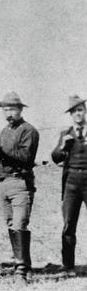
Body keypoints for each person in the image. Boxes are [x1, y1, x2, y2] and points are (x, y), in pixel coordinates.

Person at [0, 92, 39, 283]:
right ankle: (24, 265)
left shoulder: (29, 131)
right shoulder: (4, 131)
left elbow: (26, 157)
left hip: (21, 183)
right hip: (4, 183)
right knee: (11, 224)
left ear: (20, 110)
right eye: (5, 109)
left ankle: (21, 271)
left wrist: (2, 150)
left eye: (12, 109)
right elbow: (3, 159)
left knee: (19, 224)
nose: (8, 113)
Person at [52, 95, 87, 277]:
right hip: (71, 183)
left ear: (85, 111)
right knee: (68, 224)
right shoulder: (66, 134)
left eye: (80, 110)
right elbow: (55, 157)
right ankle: (68, 266)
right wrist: (62, 146)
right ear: (71, 115)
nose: (77, 114)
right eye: (74, 111)